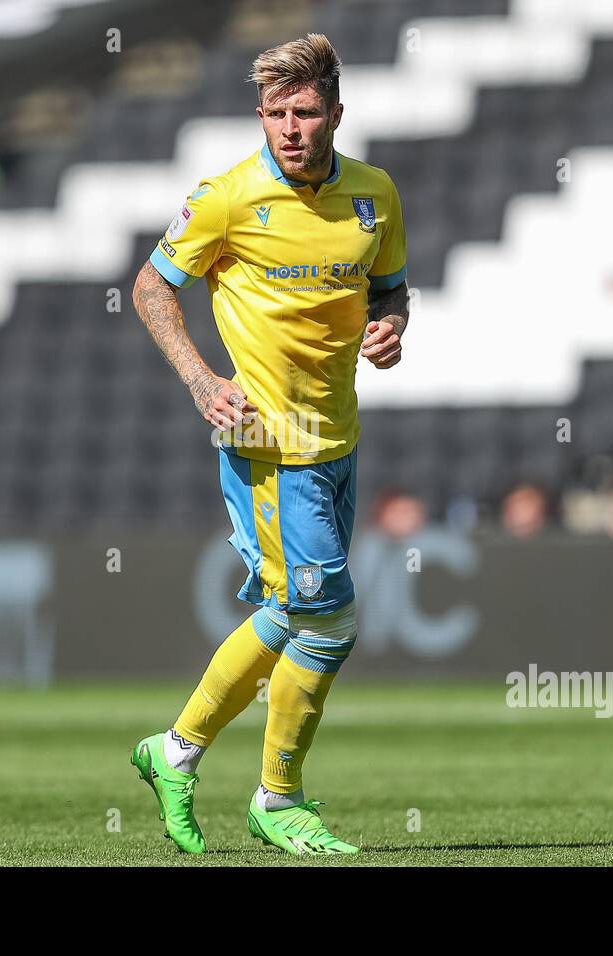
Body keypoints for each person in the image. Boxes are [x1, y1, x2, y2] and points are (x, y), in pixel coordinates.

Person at [128, 34, 408, 856]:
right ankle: (276, 798)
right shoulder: (227, 197)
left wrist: (391, 328)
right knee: (331, 622)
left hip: (338, 437)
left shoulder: (375, 194)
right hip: (264, 441)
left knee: (293, 612)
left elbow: (388, 287)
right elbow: (150, 287)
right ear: (261, 116)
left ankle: (172, 752)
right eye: (278, 113)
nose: (291, 127)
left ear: (335, 115)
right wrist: (200, 380)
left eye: (307, 112)